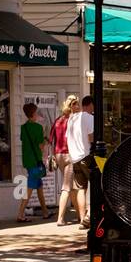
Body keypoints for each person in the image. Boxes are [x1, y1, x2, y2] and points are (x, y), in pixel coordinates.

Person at [67, 95, 94, 229]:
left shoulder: (72, 118)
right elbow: (91, 138)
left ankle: (82, 218)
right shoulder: (89, 118)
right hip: (86, 155)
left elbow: (68, 137)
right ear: (90, 105)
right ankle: (89, 215)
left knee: (80, 189)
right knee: (94, 184)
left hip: (75, 157)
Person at [52, 96, 77, 226]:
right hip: (69, 154)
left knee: (71, 186)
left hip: (58, 154)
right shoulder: (72, 120)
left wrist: (53, 155)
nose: (78, 107)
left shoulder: (58, 120)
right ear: (72, 106)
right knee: (67, 187)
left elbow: (52, 139)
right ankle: (60, 218)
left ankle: (79, 214)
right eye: (76, 105)